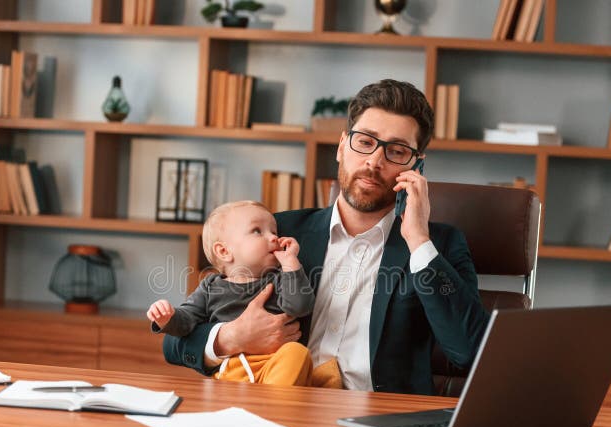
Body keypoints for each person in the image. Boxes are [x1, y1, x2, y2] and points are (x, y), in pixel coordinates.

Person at [162, 79, 490, 394]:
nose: (374, 161)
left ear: (416, 166)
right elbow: (175, 343)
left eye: (397, 151)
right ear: (341, 146)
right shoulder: (276, 237)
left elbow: (469, 351)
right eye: (365, 142)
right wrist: (231, 337)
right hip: (278, 407)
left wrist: (418, 240)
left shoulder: (438, 246)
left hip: (378, 416)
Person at [148, 200, 338, 387]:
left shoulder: (281, 278)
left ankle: (272, 399)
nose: (273, 238)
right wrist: (167, 317)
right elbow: (186, 321)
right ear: (224, 251)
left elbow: (300, 306)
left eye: (274, 232)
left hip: (274, 364)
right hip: (234, 369)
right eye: (257, 231)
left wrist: (291, 264)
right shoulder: (210, 287)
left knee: (297, 353)